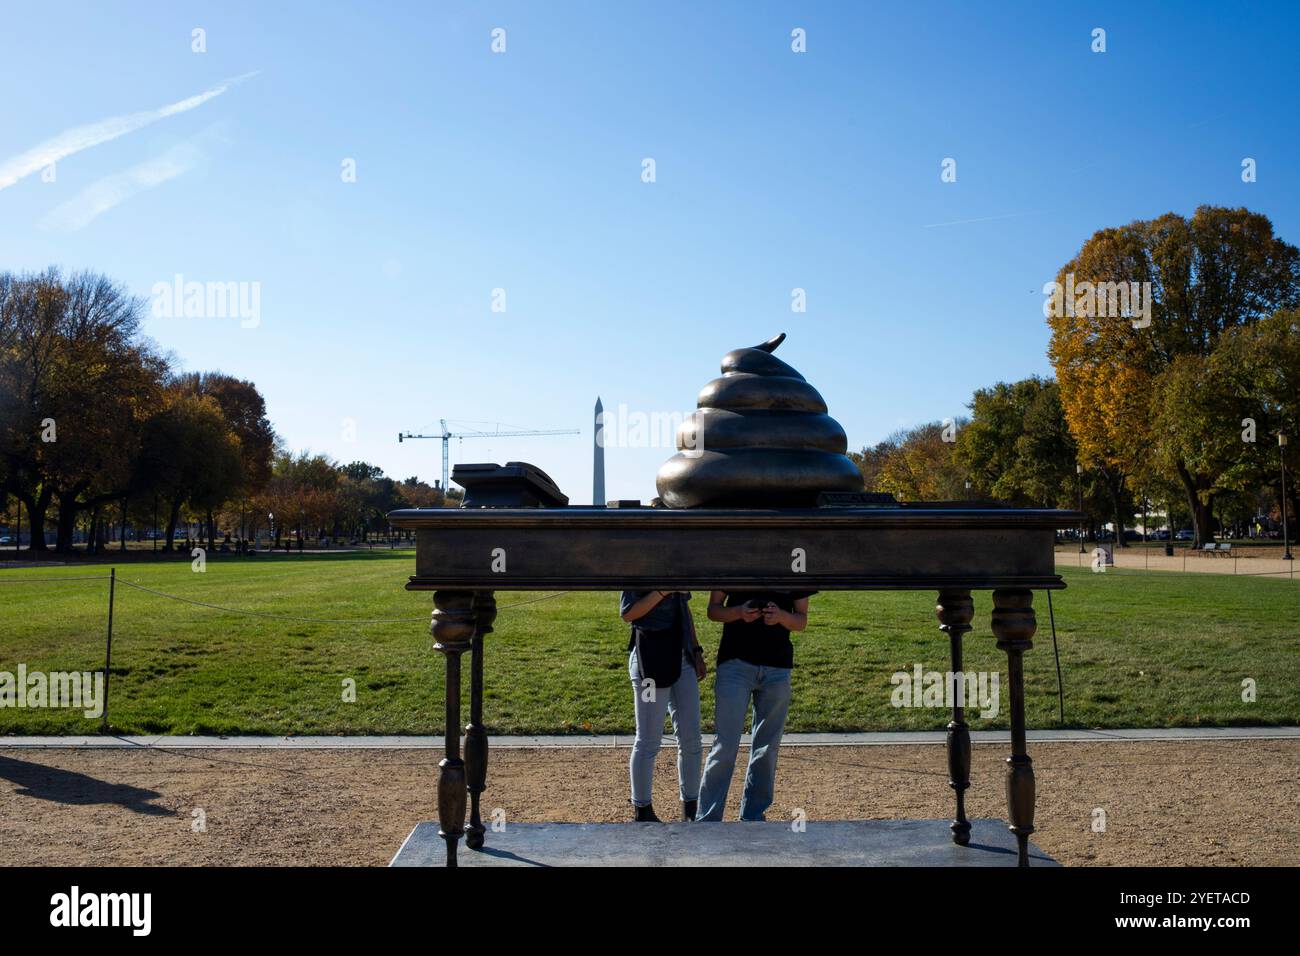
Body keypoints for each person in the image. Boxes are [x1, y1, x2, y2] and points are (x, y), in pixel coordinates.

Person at [696, 591, 813, 822]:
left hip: (777, 668)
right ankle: (708, 820)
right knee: (725, 745)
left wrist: (780, 617)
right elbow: (713, 610)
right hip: (735, 664)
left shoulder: (795, 564)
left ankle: (753, 817)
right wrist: (739, 612)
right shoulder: (736, 558)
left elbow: (801, 620)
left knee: (767, 748)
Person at [620, 589, 707, 822]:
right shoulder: (637, 564)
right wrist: (662, 591)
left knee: (691, 739)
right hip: (649, 659)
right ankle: (643, 810)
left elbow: (683, 609)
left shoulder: (677, 559)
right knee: (648, 739)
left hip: (683, 658)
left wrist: (696, 650)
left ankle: (691, 808)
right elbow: (628, 613)